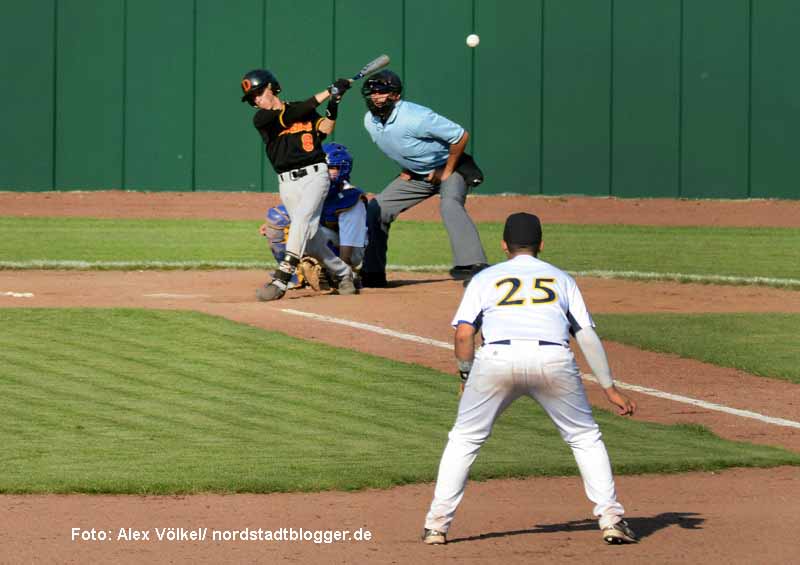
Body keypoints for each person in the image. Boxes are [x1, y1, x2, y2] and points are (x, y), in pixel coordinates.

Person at [422, 212, 639, 546]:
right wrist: (609, 389)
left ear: (504, 245)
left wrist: (466, 375)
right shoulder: (561, 279)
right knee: (584, 437)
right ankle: (611, 520)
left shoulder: (484, 278)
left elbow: (464, 334)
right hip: (553, 359)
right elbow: (586, 336)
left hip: (496, 359)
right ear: (541, 244)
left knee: (464, 439)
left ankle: (436, 526)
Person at [358, 70, 488, 288]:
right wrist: (407, 168)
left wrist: (446, 171)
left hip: (451, 168)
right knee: (377, 208)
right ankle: (373, 273)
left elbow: (460, 135)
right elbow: (399, 146)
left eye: (382, 92)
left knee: (450, 204)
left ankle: (474, 266)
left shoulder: (416, 117)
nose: (376, 97)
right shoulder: (370, 121)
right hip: (417, 175)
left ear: (396, 95)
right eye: (372, 92)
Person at [240, 69, 357, 301]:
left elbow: (325, 129)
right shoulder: (262, 119)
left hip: (315, 175)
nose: (256, 100)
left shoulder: (301, 109)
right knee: (311, 240)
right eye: (252, 98)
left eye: (259, 93)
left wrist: (334, 102)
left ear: (272, 88)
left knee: (301, 220)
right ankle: (344, 273)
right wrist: (329, 91)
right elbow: (297, 112)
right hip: (287, 183)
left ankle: (282, 278)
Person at [260, 142, 368, 290]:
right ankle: (295, 276)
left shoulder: (351, 199)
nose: (326, 172)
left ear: (343, 169)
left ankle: (338, 275)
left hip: (348, 251)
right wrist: (275, 227)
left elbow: (348, 245)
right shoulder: (315, 187)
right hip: (324, 241)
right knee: (279, 217)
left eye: (332, 167)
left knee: (306, 231)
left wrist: (342, 272)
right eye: (323, 167)